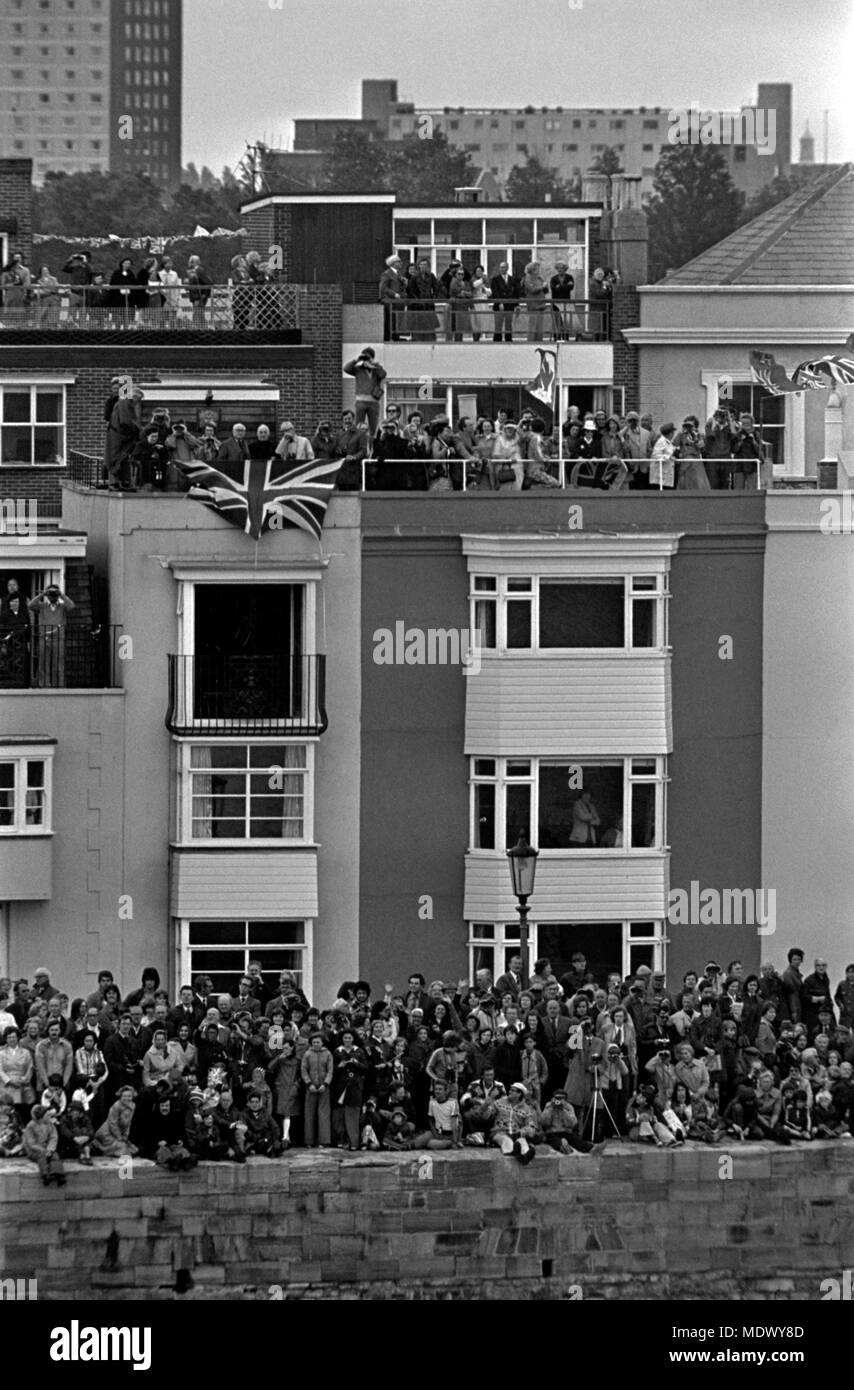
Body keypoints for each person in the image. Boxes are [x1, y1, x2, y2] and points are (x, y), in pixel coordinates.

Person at [343, 348, 387, 440]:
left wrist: (375, 363)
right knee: (359, 426)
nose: (366, 359)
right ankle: (358, 442)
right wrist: (357, 360)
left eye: (369, 357)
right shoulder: (358, 369)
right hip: (361, 401)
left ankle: (372, 447)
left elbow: (383, 375)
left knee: (373, 428)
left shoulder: (376, 369)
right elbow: (346, 368)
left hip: (374, 402)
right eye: (365, 357)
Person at [301, 1032, 333, 1148]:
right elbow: (304, 1070)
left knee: (323, 1114)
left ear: (322, 1042)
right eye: (314, 1042)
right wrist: (309, 1084)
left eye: (318, 1042)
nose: (316, 1044)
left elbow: (330, 1070)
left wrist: (325, 1084)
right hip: (311, 1087)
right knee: (309, 1114)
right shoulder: (307, 1054)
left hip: (324, 1088)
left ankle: (323, 1141)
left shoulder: (328, 1054)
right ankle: (308, 1141)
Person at [22, 1103, 65, 1186]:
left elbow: (53, 1137)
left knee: (54, 1155)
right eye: (47, 1116)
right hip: (34, 1150)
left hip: (46, 1148)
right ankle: (45, 1175)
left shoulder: (50, 1124)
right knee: (42, 1156)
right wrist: (44, 1150)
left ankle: (58, 1174)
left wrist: (50, 1149)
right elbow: (31, 1144)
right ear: (40, 1118)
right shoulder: (30, 1126)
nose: (49, 1117)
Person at [406, 257, 441, 342]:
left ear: (428, 266)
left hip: (429, 304)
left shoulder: (431, 276)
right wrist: (417, 300)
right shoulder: (414, 277)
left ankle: (430, 339)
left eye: (425, 265)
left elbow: (436, 288)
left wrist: (433, 297)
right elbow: (411, 290)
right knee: (418, 324)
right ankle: (417, 339)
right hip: (418, 305)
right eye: (421, 264)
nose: (423, 266)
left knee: (429, 324)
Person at [673, 416, 710, 492]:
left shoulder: (700, 435)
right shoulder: (682, 434)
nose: (688, 427)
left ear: (695, 426)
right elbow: (675, 444)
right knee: (684, 484)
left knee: (698, 485)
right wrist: (681, 432)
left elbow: (701, 447)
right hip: (685, 462)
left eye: (690, 425)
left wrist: (695, 436)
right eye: (687, 424)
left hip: (696, 463)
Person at [489, 261, 520, 341]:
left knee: (508, 325)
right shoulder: (495, 279)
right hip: (499, 306)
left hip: (510, 305)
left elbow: (516, 293)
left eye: (503, 267)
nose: (501, 269)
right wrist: (499, 302)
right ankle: (497, 341)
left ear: (507, 268)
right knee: (498, 325)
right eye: (500, 267)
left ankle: (508, 340)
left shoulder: (512, 279)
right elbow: (495, 292)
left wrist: (517, 305)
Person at [731, 413, 763, 490]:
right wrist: (741, 441)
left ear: (752, 424)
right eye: (743, 423)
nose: (745, 425)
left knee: (752, 489)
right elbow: (734, 450)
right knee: (738, 489)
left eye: (747, 423)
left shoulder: (756, 435)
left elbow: (759, 450)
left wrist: (753, 441)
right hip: (739, 465)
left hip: (752, 466)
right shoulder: (737, 435)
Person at [378, 255, 407, 340]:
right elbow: (383, 288)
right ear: (393, 263)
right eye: (398, 261)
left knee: (397, 320)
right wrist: (394, 294)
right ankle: (390, 337)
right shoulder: (386, 274)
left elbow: (400, 286)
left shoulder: (398, 273)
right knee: (391, 320)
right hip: (391, 302)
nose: (401, 263)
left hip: (398, 302)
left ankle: (396, 336)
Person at [522, 261, 548, 342]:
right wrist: (542, 286)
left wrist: (546, 286)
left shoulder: (540, 278)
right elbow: (532, 289)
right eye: (537, 268)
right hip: (533, 305)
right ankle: (531, 342)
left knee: (539, 327)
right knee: (532, 326)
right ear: (532, 269)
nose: (538, 270)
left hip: (541, 305)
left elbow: (546, 291)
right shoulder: (527, 278)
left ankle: (539, 341)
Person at [550, 261, 575, 340]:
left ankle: (565, 337)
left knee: (566, 320)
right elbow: (555, 289)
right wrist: (565, 286)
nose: (560, 270)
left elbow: (571, 287)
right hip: (556, 302)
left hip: (566, 302)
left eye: (562, 268)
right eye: (558, 268)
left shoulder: (569, 277)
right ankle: (556, 337)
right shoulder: (553, 279)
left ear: (565, 269)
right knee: (557, 320)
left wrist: (560, 287)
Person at [186, 254, 212, 327]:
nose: (190, 263)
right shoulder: (193, 271)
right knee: (198, 313)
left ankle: (200, 329)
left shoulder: (199, 270)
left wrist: (204, 294)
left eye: (192, 261)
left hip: (199, 296)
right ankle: (200, 328)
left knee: (198, 314)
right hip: (195, 296)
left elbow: (208, 282)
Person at [649, 422, 677, 489]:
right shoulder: (661, 442)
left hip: (665, 474)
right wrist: (669, 457)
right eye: (672, 432)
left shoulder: (667, 442)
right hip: (660, 475)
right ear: (670, 433)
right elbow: (655, 455)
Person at [469, 265, 491, 342]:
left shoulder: (485, 280)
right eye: (478, 271)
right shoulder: (473, 279)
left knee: (482, 323)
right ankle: (475, 339)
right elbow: (474, 285)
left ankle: (480, 338)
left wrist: (485, 288)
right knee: (475, 323)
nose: (479, 272)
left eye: (481, 271)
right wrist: (482, 280)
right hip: (475, 302)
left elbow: (489, 293)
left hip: (483, 302)